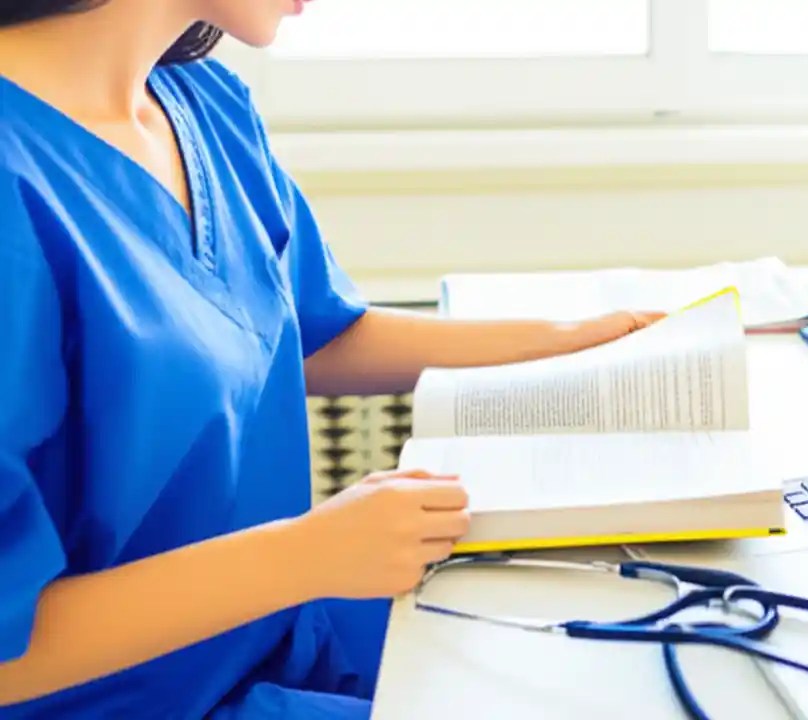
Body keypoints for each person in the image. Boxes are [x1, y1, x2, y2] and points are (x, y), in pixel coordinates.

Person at [0, 1, 662, 717]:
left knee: (646, 654)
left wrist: (567, 342)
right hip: (138, 700)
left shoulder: (198, 103)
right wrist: (308, 553)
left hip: (277, 639)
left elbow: (311, 333)